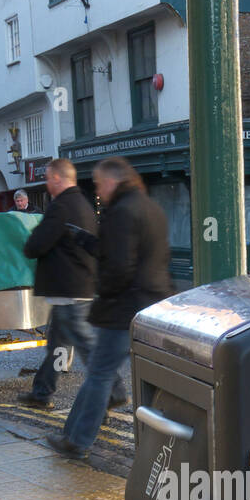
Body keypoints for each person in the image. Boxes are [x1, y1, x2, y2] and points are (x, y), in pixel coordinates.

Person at [49, 157, 171, 460]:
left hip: (123, 307)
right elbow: (120, 251)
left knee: (99, 374)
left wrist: (103, 291)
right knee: (110, 374)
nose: (98, 191)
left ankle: (77, 439)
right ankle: (73, 434)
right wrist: (85, 239)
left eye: (99, 184)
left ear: (113, 181)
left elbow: (118, 266)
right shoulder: (149, 208)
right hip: (151, 304)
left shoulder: (121, 213)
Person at [18, 158, 126, 413]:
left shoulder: (61, 207)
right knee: (58, 346)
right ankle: (42, 392)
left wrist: (33, 240)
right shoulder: (85, 204)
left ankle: (116, 388)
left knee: (88, 347)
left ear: (58, 178)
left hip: (69, 291)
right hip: (78, 289)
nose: (46, 184)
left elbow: (35, 245)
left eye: (47, 178)